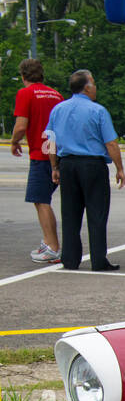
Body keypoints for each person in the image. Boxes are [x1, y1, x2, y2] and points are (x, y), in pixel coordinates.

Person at [45, 70, 125, 272]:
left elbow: (50, 141)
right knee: (97, 213)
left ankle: (70, 260)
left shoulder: (57, 110)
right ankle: (98, 260)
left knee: (70, 213)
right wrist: (120, 168)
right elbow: (111, 143)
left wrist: (54, 166)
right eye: (94, 83)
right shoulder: (98, 111)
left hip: (68, 165)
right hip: (92, 165)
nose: (95, 87)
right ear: (87, 87)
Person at [11, 58, 64, 262]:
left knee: (41, 200)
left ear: (23, 75)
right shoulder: (55, 94)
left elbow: (21, 126)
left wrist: (15, 141)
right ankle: (48, 242)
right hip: (56, 151)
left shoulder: (25, 93)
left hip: (41, 154)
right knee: (42, 199)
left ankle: (52, 246)